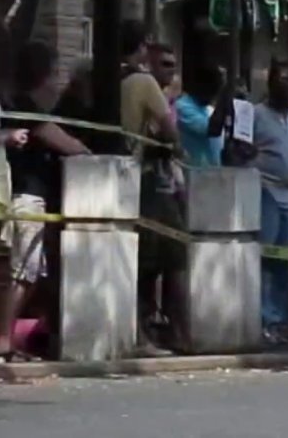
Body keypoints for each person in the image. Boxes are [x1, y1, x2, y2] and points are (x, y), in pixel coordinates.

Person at [0, 42, 89, 363]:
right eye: (54, 72)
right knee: (25, 272)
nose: (57, 80)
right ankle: (4, 342)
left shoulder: (22, 105)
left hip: (32, 198)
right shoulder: (27, 109)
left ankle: (21, 337)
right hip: (27, 198)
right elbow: (70, 146)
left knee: (33, 273)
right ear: (42, 74)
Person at [120, 21, 181, 355]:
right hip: (139, 174)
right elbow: (171, 131)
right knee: (156, 258)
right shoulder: (142, 81)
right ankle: (146, 333)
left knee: (134, 257)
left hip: (111, 172)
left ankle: (146, 329)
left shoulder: (99, 74)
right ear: (142, 48)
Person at [252, 59, 288, 342]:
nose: (287, 87)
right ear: (270, 84)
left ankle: (277, 319)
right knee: (266, 257)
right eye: (280, 80)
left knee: (286, 263)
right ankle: (261, 317)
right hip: (266, 190)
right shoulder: (257, 114)